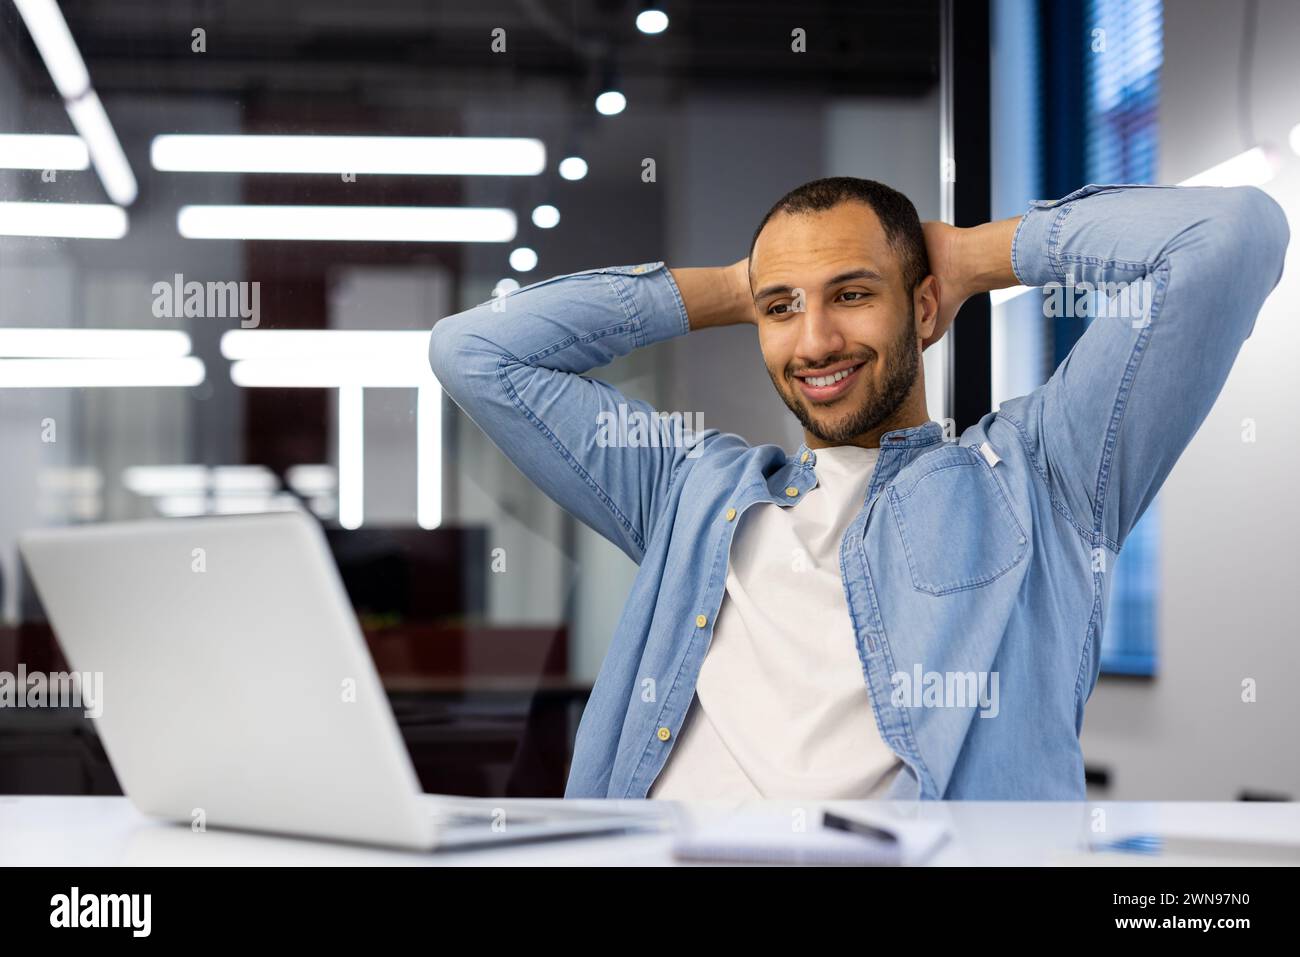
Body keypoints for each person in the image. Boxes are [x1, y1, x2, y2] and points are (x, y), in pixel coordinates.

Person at [429, 177, 1289, 800]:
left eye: (852, 294)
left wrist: (969, 255)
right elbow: (474, 352)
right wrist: (736, 286)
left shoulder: (1043, 473)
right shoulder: (686, 489)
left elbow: (1231, 235)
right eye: (782, 310)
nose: (815, 340)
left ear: (921, 309)